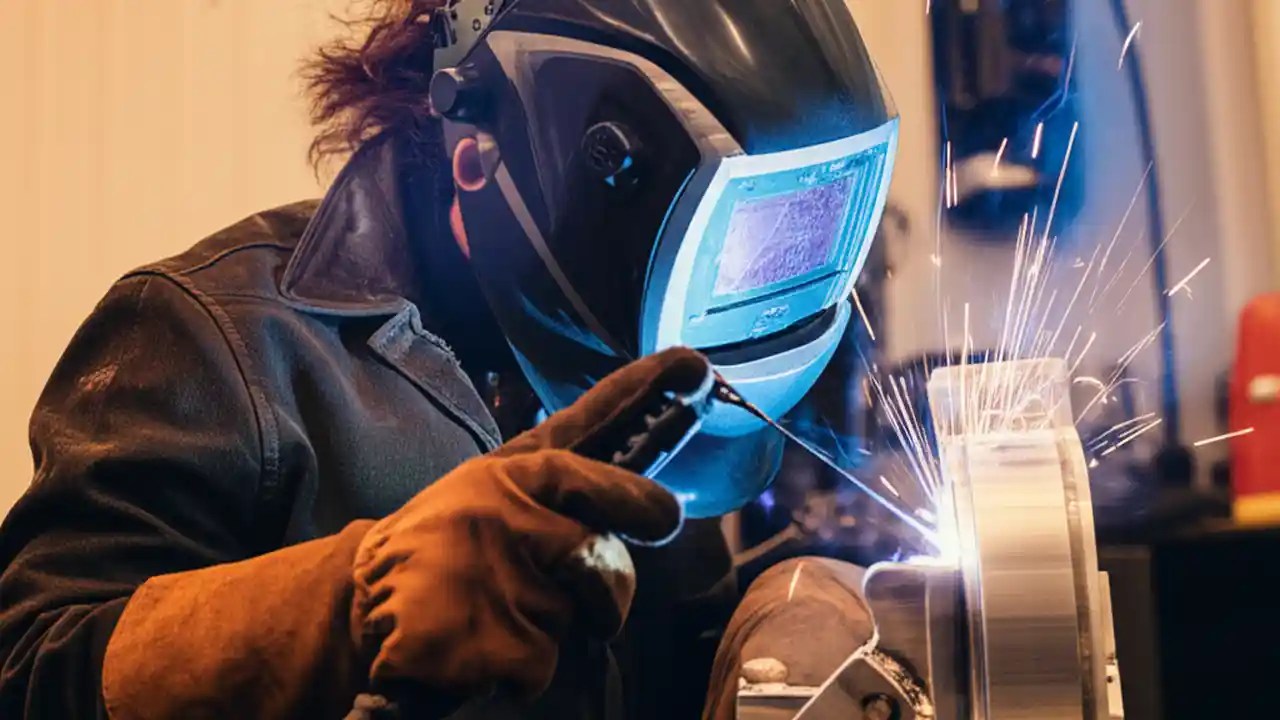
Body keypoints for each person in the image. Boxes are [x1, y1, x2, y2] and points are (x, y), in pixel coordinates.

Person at [0, 1, 900, 717]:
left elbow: (652, 664)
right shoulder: (217, 335)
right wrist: (352, 602)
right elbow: (30, 674)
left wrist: (771, 615)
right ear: (477, 150)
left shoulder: (630, 360)